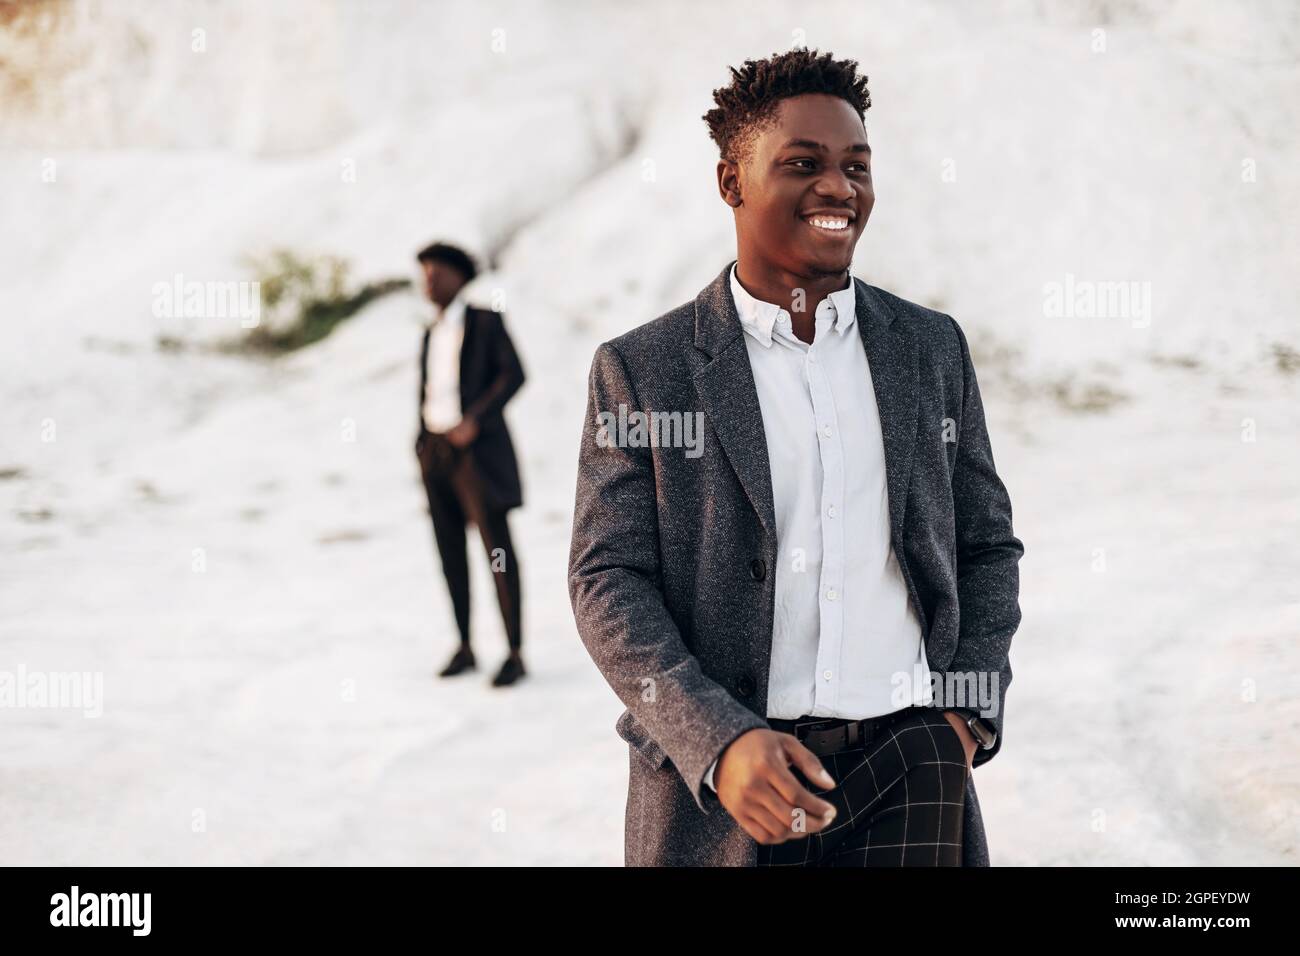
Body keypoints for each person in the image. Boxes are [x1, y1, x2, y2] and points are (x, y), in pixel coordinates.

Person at [567, 49, 1023, 865]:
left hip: (912, 766)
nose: (839, 188)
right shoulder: (645, 369)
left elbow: (986, 546)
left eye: (856, 166)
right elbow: (607, 581)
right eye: (802, 164)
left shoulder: (929, 349)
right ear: (730, 182)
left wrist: (966, 715)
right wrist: (717, 742)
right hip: (733, 794)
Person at [414, 241, 527, 687]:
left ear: (460, 275)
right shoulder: (430, 332)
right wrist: (422, 440)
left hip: (477, 454)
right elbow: (426, 391)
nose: (429, 280)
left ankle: (515, 651)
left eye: (437, 271)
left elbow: (515, 374)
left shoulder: (485, 321)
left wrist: (474, 421)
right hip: (436, 452)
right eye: (423, 273)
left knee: (497, 551)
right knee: (449, 550)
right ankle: (465, 645)